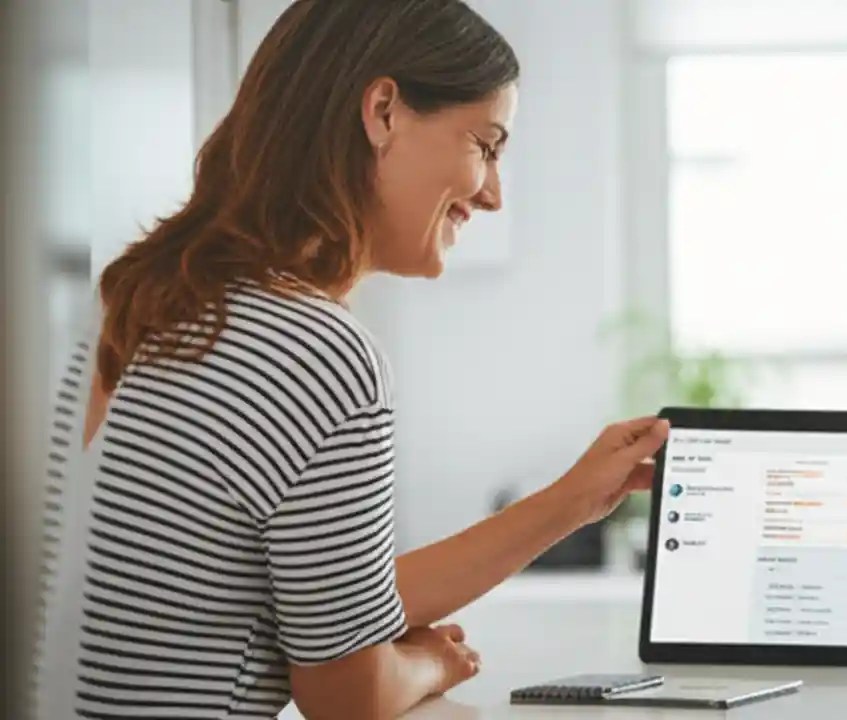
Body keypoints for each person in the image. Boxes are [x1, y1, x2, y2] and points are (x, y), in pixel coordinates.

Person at [31, 1, 669, 718]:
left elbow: (332, 596)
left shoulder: (127, 302)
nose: (492, 193)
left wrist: (573, 501)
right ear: (384, 111)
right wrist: (428, 662)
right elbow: (346, 696)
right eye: (486, 146)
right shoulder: (318, 351)